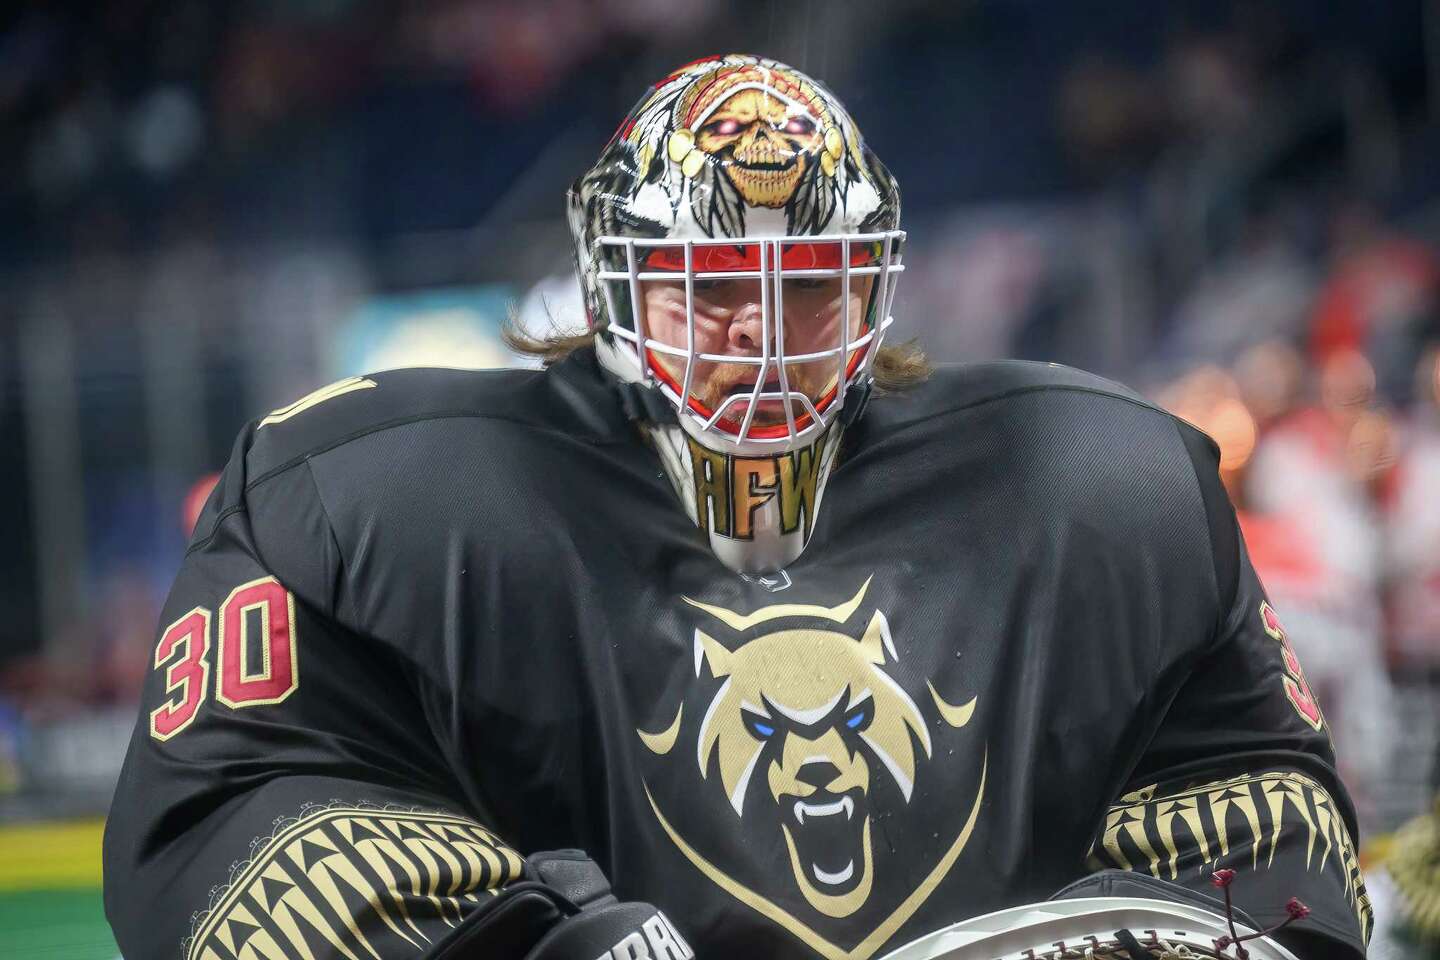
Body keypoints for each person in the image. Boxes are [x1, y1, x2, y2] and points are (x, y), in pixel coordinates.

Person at [104, 54, 1370, 960]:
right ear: (613, 287)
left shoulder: (1106, 487)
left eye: (809, 283)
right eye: (709, 285)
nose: (761, 333)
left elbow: (1260, 820)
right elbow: (235, 828)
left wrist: (1187, 929)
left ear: (874, 290)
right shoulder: (371, 498)